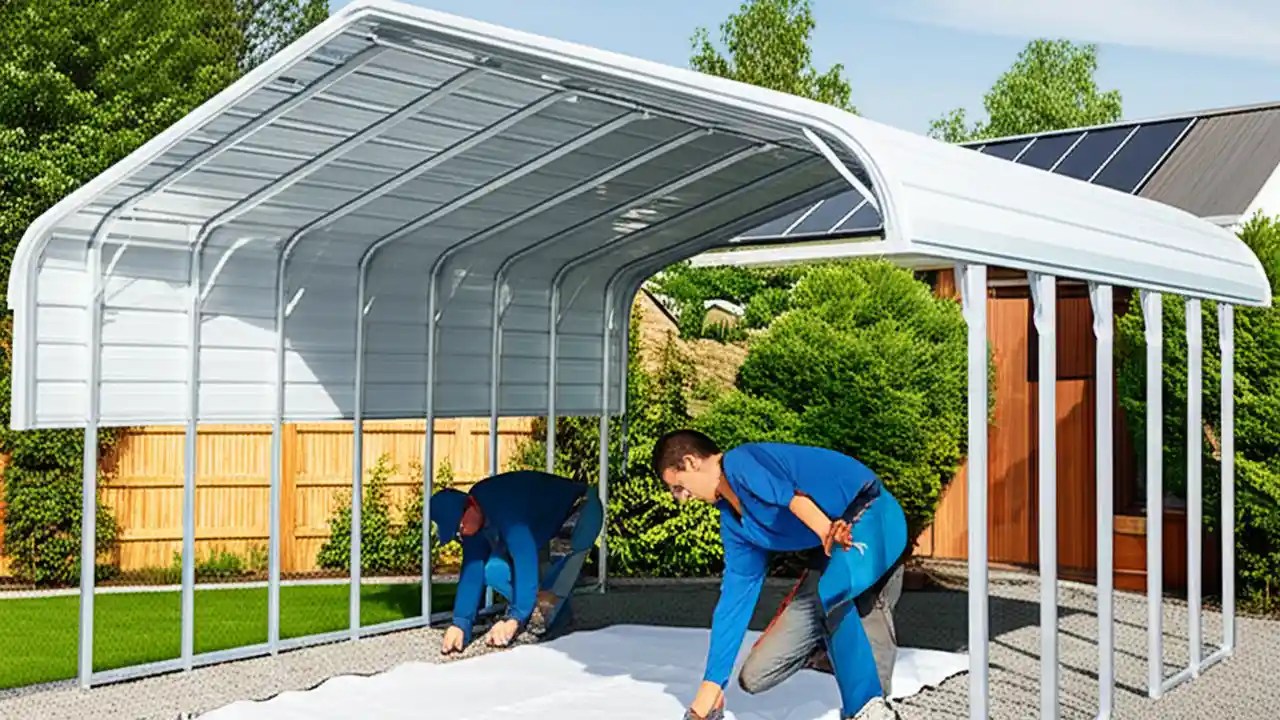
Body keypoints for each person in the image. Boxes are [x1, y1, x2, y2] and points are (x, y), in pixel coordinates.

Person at [651, 430, 909, 720]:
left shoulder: (740, 462)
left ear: (691, 462)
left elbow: (793, 497)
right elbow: (733, 605)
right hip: (830, 556)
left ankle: (865, 707)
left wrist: (826, 530)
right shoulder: (734, 525)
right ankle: (827, 641)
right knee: (755, 676)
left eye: (678, 486)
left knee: (834, 592)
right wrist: (709, 690)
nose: (683, 499)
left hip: (871, 516)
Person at [429, 469, 603, 654]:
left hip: (580, 511)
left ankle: (546, 615)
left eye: (459, 528)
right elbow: (473, 570)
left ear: (470, 505)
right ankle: (555, 614)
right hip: (548, 528)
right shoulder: (473, 522)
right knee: (494, 571)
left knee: (554, 580)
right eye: (457, 535)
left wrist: (515, 618)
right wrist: (461, 623)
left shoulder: (503, 506)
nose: (461, 534)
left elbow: (524, 559)